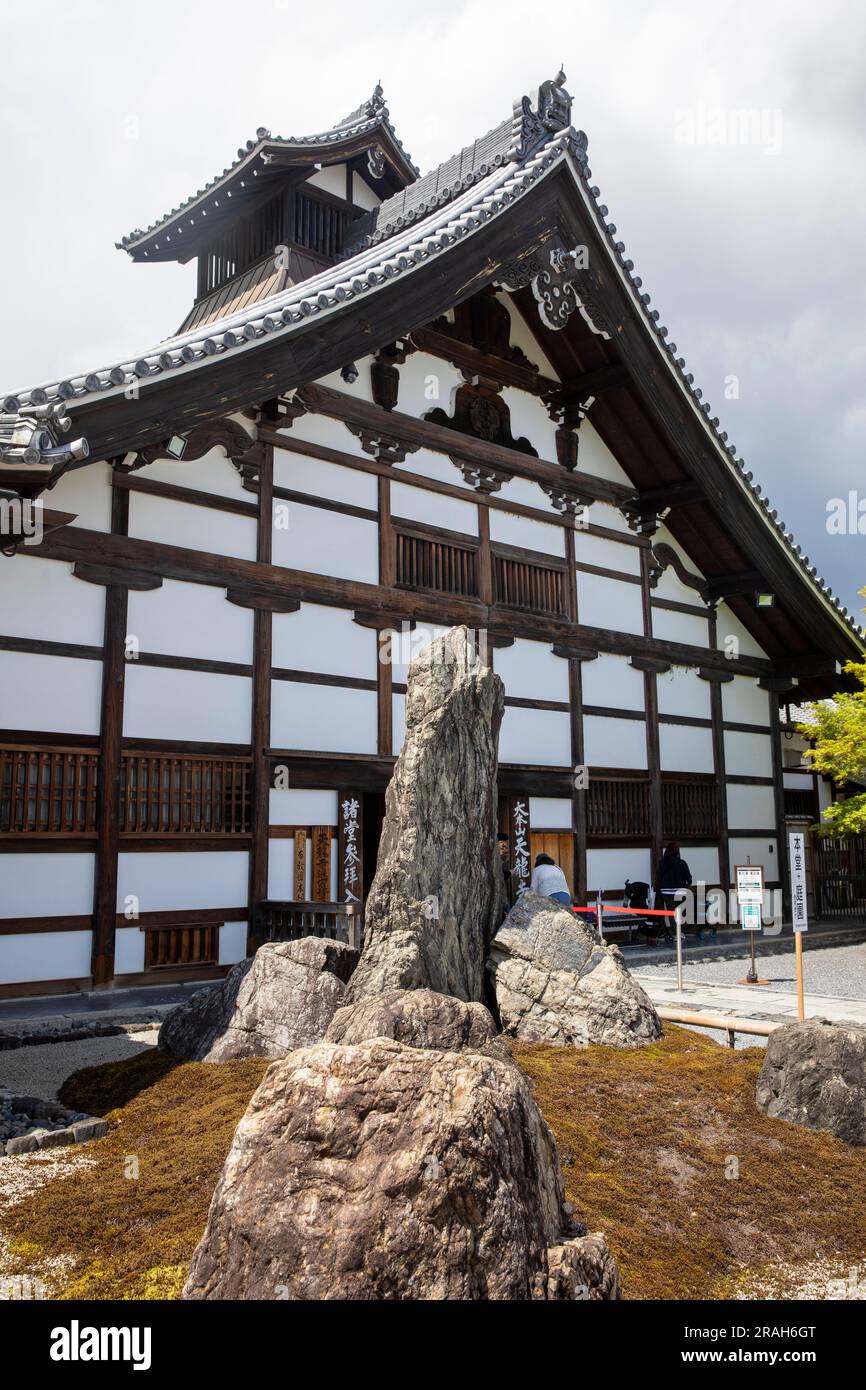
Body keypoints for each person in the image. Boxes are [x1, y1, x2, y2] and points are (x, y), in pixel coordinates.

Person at [654, 842, 692, 933]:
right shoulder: (682, 863)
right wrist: (687, 884)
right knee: (681, 912)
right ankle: (681, 932)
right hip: (680, 891)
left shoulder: (662, 863)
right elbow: (689, 878)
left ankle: (675, 933)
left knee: (671, 914)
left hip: (666, 892)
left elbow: (659, 877)